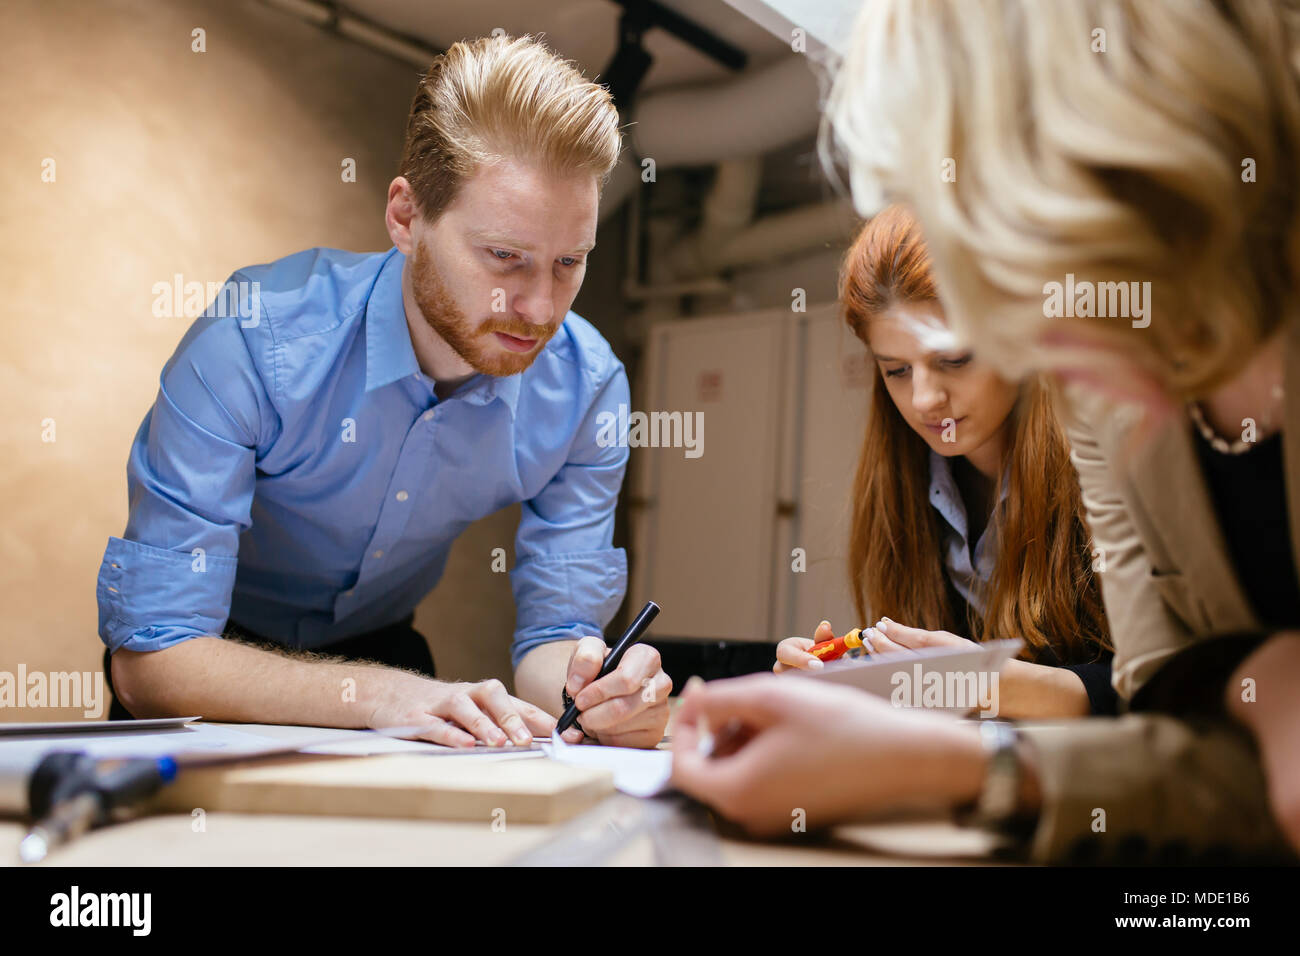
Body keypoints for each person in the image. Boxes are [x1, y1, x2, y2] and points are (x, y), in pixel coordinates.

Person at [673, 0, 1300, 862]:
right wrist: (931, 757)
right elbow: (1188, 759)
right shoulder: (1108, 404)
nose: (1017, 339)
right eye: (897, 370)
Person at [99, 34, 671, 749]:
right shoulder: (254, 337)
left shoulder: (587, 390)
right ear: (406, 218)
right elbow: (150, 661)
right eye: (504, 258)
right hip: (212, 673)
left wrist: (600, 695)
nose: (538, 307)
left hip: (387, 662)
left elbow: (555, 639)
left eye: (569, 262)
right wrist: (375, 694)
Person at [773, 206, 1114, 718]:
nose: (925, 399)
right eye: (896, 371)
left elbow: (1174, 686)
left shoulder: (1104, 470)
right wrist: (851, 678)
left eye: (953, 360)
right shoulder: (905, 488)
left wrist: (993, 684)